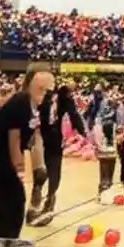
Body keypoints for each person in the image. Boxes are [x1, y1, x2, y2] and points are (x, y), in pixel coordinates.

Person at [0, 69, 53, 247]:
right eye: (42, 87)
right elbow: (13, 135)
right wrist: (18, 165)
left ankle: (10, 239)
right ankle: (1, 243)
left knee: (13, 198)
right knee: (10, 198)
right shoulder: (21, 102)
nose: (46, 91)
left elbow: (30, 133)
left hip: (3, 156)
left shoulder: (34, 105)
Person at [27, 84, 85, 227]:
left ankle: (46, 201)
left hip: (48, 137)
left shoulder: (60, 99)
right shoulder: (42, 97)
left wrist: (82, 131)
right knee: (46, 171)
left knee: (49, 170)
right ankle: (41, 202)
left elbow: (73, 115)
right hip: (41, 136)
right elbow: (73, 115)